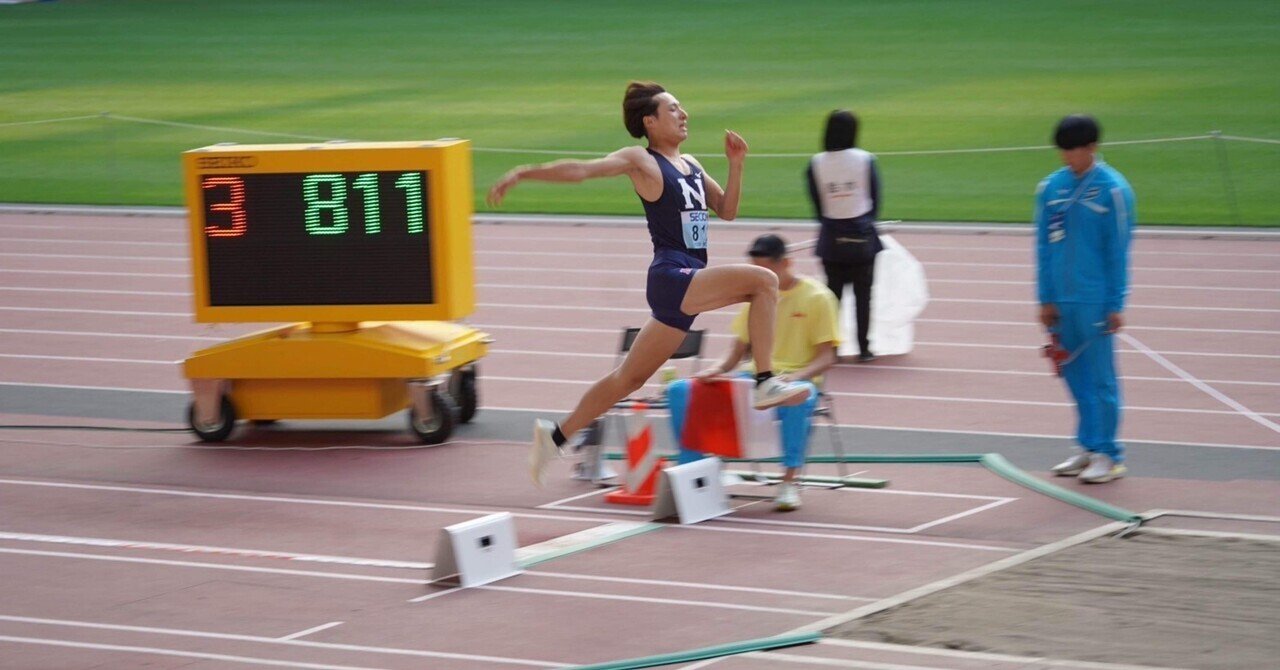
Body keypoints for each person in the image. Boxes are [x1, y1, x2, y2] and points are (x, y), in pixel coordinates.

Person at [487, 81, 810, 485]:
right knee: (764, 281)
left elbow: (726, 209)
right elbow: (583, 171)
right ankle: (765, 382)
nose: (684, 114)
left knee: (628, 379)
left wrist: (737, 163)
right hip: (672, 277)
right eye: (673, 109)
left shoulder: (691, 165)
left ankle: (554, 437)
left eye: (682, 107)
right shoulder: (641, 160)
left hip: (686, 284)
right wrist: (524, 172)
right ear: (650, 121)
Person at [667, 234, 839, 511]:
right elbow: (736, 353)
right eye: (754, 269)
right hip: (752, 379)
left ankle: (789, 482)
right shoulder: (757, 295)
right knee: (680, 390)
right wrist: (715, 370)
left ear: (786, 263)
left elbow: (826, 357)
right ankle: (694, 472)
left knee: (799, 398)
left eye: (765, 269)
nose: (759, 275)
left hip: (795, 379)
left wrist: (794, 379)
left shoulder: (818, 298)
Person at [1036, 114, 1135, 484]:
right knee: (1072, 374)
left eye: (1072, 152)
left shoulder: (1113, 191)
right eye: (1062, 152)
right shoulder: (1051, 188)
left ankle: (1110, 454)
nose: (1066, 159)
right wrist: (1044, 298)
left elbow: (1119, 252)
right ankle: (1087, 446)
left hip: (1094, 300)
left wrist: (1116, 304)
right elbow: (1044, 246)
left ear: (1092, 148)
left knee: (1101, 379)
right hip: (1062, 300)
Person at [807, 109, 883, 363]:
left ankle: (833, 349)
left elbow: (817, 204)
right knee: (864, 296)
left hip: (831, 238)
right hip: (863, 236)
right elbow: (875, 199)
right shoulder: (865, 159)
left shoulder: (815, 163)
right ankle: (864, 348)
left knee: (833, 298)